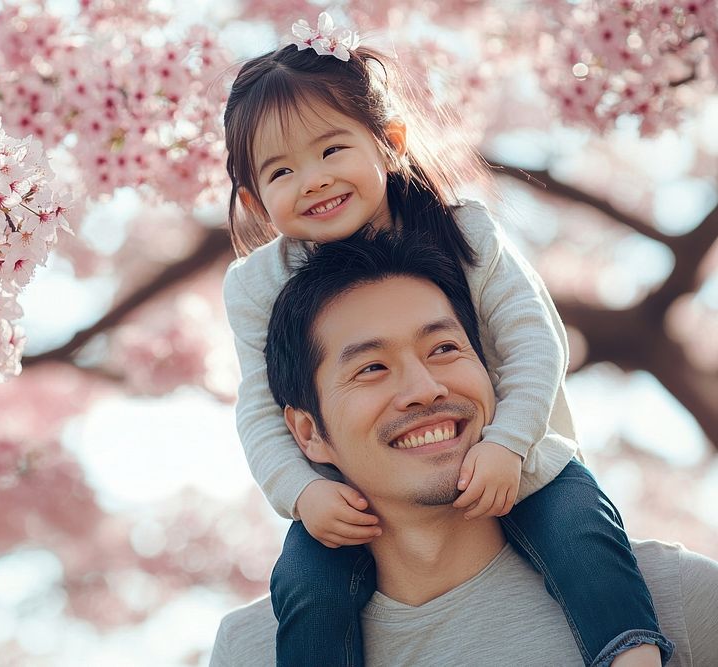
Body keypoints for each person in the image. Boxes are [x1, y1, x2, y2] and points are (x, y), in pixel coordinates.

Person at [221, 12, 671, 667]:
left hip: (516, 453)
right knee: (306, 583)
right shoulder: (258, 285)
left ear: (390, 142)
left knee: (580, 531)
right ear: (258, 203)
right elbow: (262, 408)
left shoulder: (467, 233)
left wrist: (508, 444)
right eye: (281, 171)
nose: (313, 178)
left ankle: (628, 653)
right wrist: (302, 491)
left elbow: (535, 343)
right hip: (357, 497)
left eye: (330, 149)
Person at [211, 230, 718, 666]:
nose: (425, 388)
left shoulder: (680, 599)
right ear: (307, 432)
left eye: (445, 348)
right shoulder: (251, 652)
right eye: (371, 368)